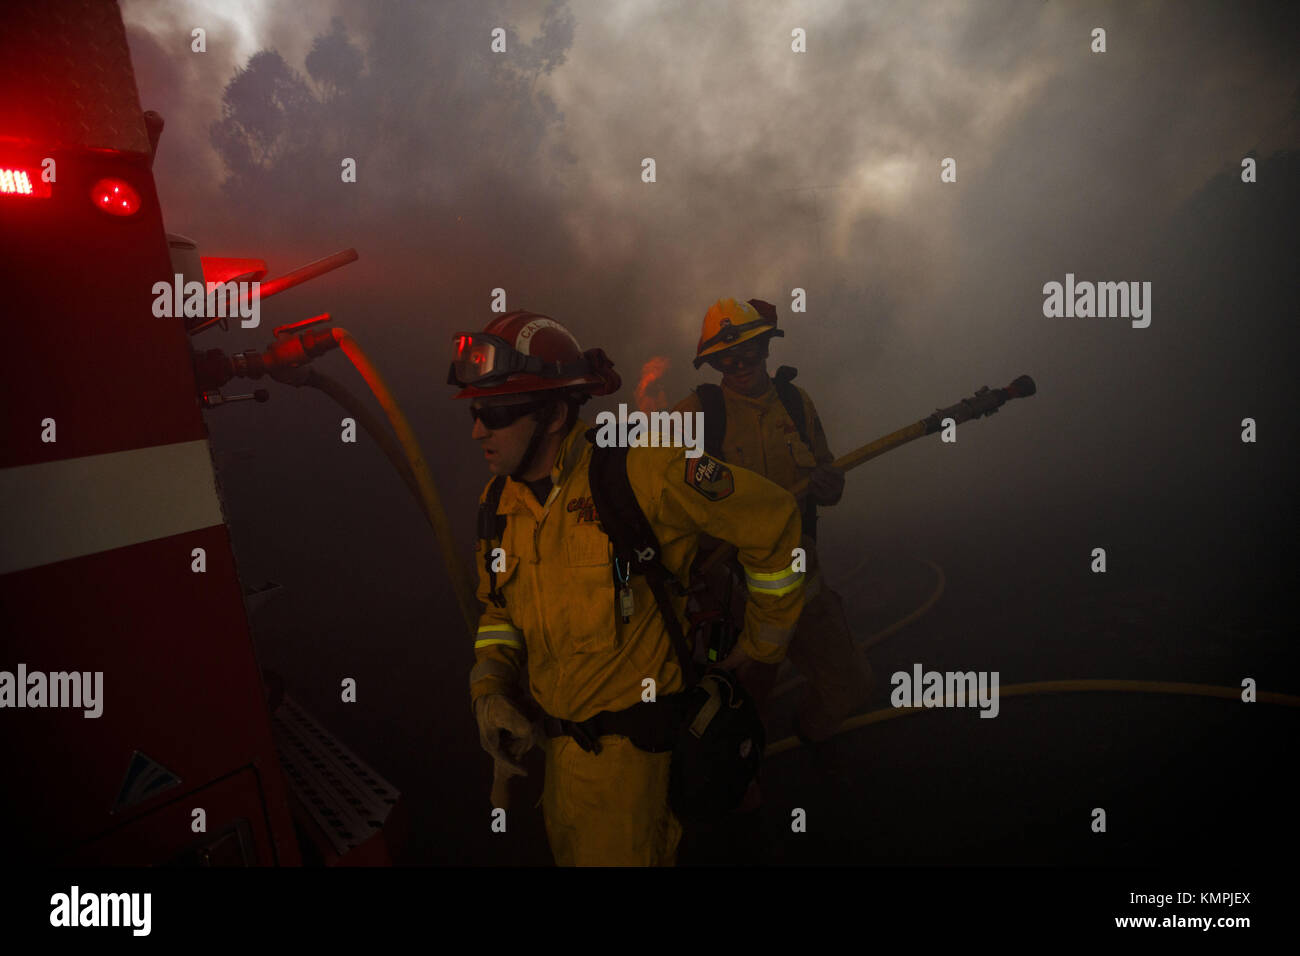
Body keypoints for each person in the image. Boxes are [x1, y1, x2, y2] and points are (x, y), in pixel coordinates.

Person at [452, 310, 805, 866]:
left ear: (553, 413)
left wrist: (761, 648)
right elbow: (497, 611)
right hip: (562, 776)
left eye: (495, 413)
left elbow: (774, 518)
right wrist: (490, 690)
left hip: (640, 772)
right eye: (475, 411)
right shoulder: (497, 505)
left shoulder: (642, 468)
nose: (478, 430)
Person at [672, 297, 875, 743]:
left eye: (749, 351)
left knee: (850, 685)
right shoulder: (694, 415)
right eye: (726, 356)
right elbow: (664, 503)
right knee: (741, 711)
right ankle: (749, 780)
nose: (739, 363)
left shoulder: (795, 403)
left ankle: (812, 740)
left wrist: (829, 486)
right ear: (712, 361)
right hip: (733, 595)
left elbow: (828, 471)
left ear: (767, 348)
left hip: (801, 577)